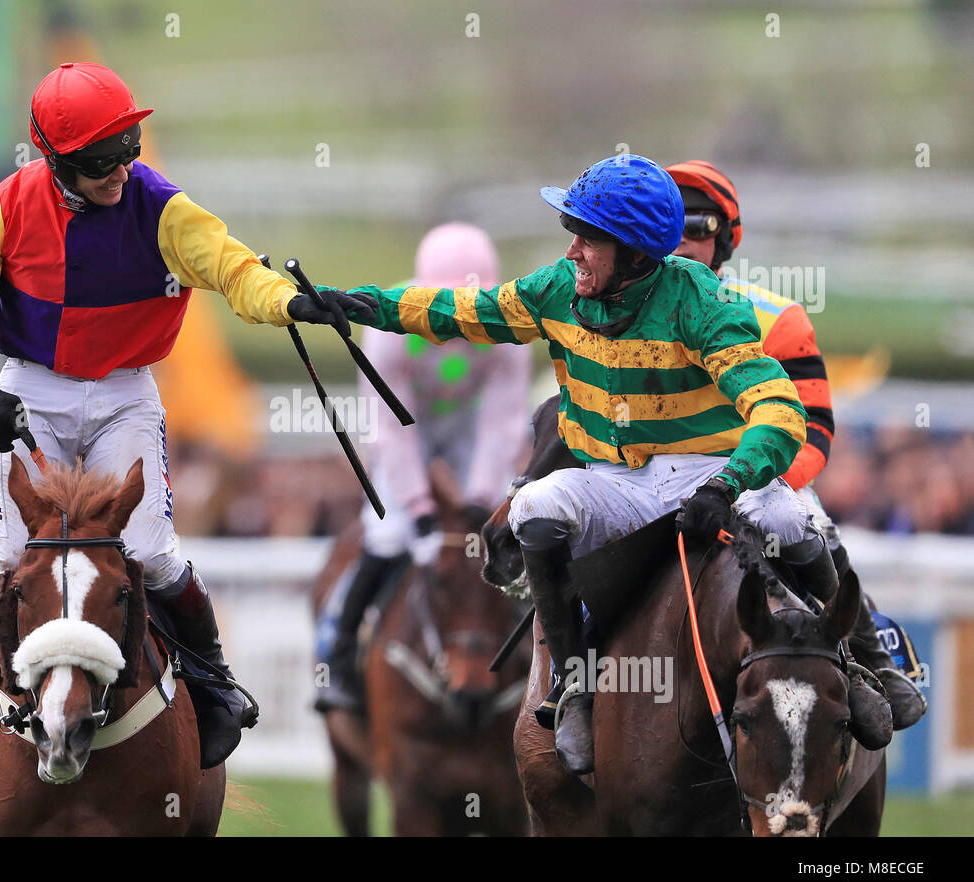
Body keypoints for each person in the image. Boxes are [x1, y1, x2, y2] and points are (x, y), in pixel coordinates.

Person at [0, 62, 376, 768]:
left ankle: (211, 679)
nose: (119, 171)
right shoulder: (3, 209)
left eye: (128, 149)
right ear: (55, 162)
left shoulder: (164, 209)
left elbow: (236, 271)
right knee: (1, 558)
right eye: (99, 160)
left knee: (148, 551)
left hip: (124, 392)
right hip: (31, 389)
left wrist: (291, 302)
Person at [342, 154, 835, 774]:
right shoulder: (556, 288)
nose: (572, 250)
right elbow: (463, 309)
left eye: (588, 238)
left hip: (706, 471)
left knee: (788, 517)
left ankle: (849, 654)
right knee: (533, 507)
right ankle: (571, 688)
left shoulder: (705, 304)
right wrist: (361, 305)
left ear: (633, 253)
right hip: (620, 481)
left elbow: (782, 414)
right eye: (572, 234)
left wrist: (730, 480)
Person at [667, 159, 924, 728]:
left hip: (758, 480)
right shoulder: (612, 313)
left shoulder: (775, 319)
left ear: (725, 240)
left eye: (700, 226)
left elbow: (813, 431)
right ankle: (571, 679)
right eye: (669, 223)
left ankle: (867, 663)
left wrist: (748, 483)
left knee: (795, 521)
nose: (682, 240)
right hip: (649, 478)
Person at [313, 223, 532, 713]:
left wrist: (478, 502)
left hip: (472, 434)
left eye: (470, 306)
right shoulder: (387, 329)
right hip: (404, 433)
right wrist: (420, 508)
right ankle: (339, 655)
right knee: (388, 535)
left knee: (508, 533)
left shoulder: (511, 332)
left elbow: (503, 424)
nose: (457, 320)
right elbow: (391, 428)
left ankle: (548, 661)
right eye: (446, 306)